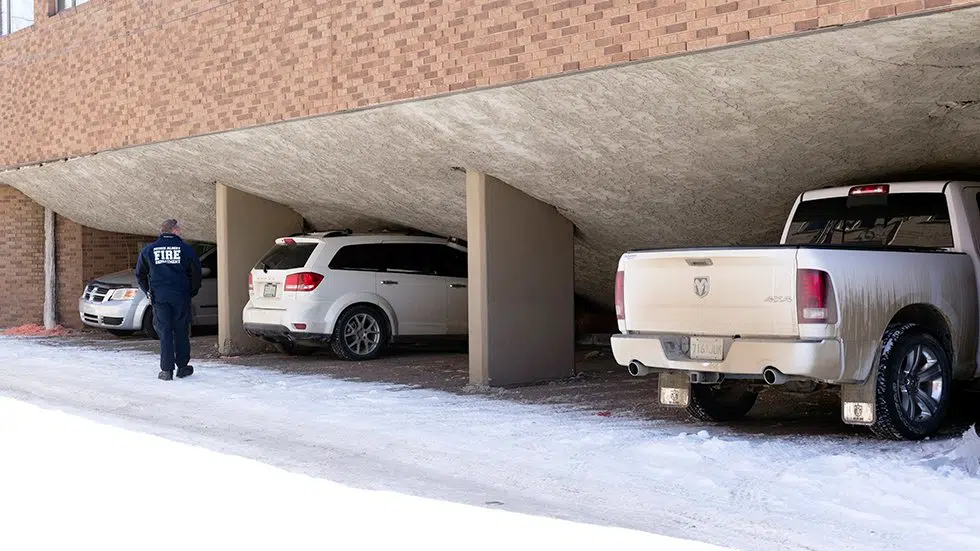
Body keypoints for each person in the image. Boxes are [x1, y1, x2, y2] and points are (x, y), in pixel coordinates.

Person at [136, 219, 202, 381]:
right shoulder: (186, 249)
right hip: (180, 295)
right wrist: (191, 292)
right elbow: (196, 274)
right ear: (175, 231)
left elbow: (140, 274)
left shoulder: (149, 250)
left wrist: (148, 291)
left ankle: (166, 370)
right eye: (178, 229)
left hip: (160, 296)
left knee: (164, 331)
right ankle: (182, 367)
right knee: (181, 330)